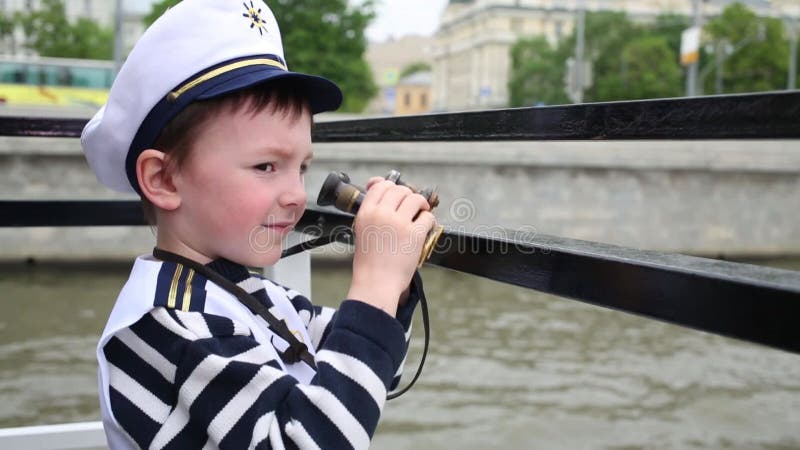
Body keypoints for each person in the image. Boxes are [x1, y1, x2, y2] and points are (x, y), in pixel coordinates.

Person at [81, 1, 436, 449]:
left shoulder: (252, 295)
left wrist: (395, 284)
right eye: (267, 166)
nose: (297, 195)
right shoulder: (163, 321)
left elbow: (373, 370)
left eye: (302, 167)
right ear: (164, 179)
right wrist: (375, 283)